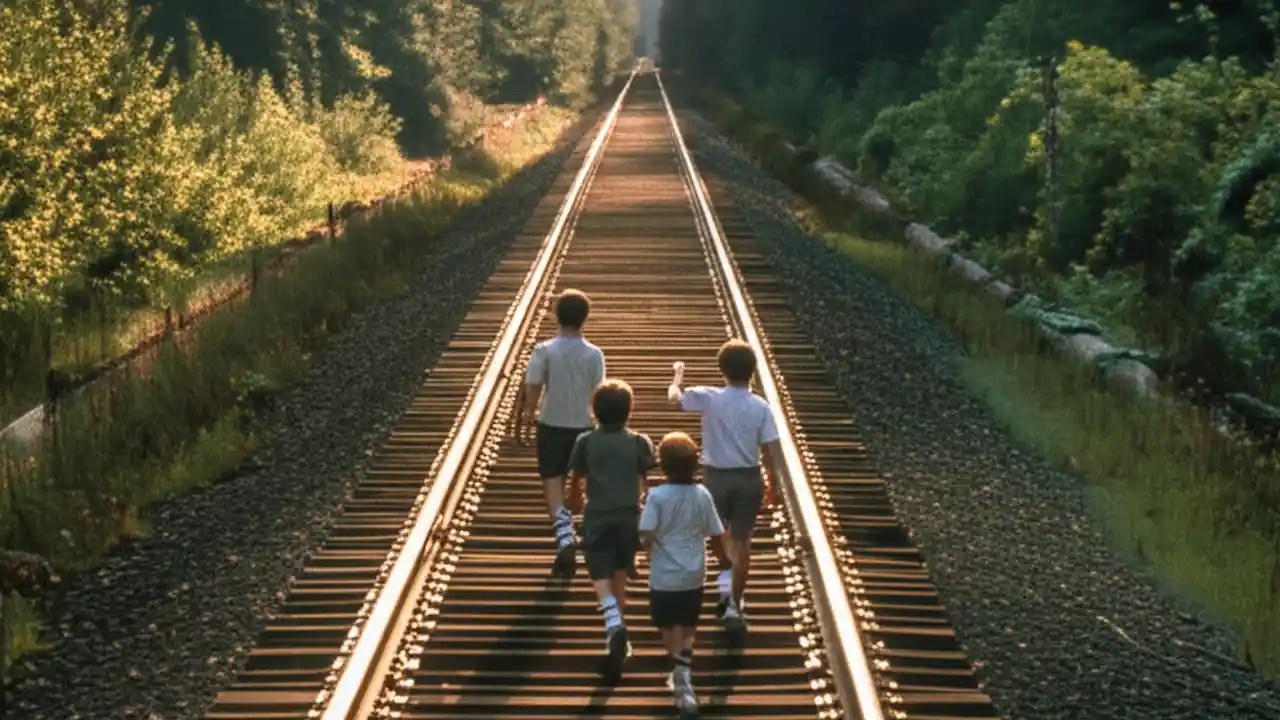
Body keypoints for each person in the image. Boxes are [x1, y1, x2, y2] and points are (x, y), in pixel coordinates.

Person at [667, 339, 780, 637]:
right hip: (748, 478)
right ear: (752, 371)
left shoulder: (709, 398)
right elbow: (770, 450)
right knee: (742, 542)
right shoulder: (761, 407)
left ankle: (726, 580)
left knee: (716, 535)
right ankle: (734, 604)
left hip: (715, 477)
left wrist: (678, 376)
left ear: (722, 370)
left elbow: (674, 399)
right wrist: (774, 484)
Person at [565, 379, 655, 676]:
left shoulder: (586, 442)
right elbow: (646, 481)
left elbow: (576, 479)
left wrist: (574, 496)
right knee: (619, 578)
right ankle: (618, 628)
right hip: (630, 518)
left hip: (598, 519)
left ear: (594, 411)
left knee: (599, 578)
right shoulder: (639, 442)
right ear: (629, 412)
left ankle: (614, 625)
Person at [639, 432, 729, 717]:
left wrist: (646, 547)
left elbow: (646, 532)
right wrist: (724, 559)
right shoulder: (702, 494)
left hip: (663, 575)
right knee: (688, 625)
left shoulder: (657, 496)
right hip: (694, 573)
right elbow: (715, 533)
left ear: (663, 466)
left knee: (668, 626)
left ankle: (679, 675)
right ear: (695, 465)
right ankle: (683, 675)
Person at [522, 289, 605, 578]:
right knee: (577, 478)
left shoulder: (545, 350)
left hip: (552, 424)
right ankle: (577, 488)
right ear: (585, 318)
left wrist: (528, 414)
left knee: (552, 484)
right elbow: (598, 392)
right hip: (584, 424)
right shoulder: (595, 354)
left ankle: (565, 540)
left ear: (557, 316)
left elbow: (533, 385)